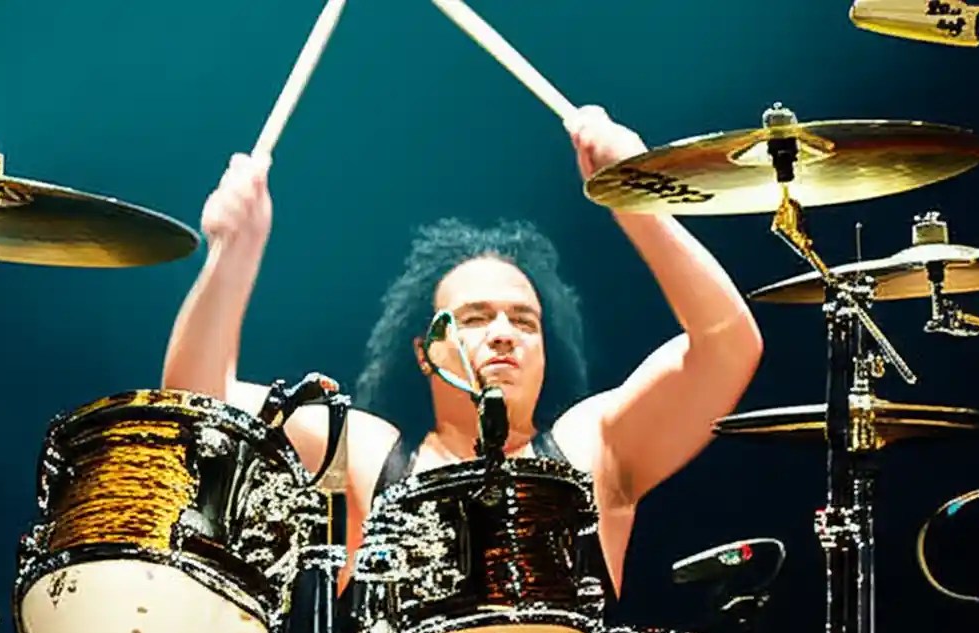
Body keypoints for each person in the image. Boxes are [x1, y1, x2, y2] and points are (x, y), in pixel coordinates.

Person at [161, 105, 764, 606]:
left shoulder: (593, 448)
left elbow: (727, 345)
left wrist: (638, 200)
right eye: (475, 318)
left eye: (525, 321)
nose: (504, 333)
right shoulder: (367, 457)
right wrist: (232, 256)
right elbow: (199, 404)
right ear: (426, 354)